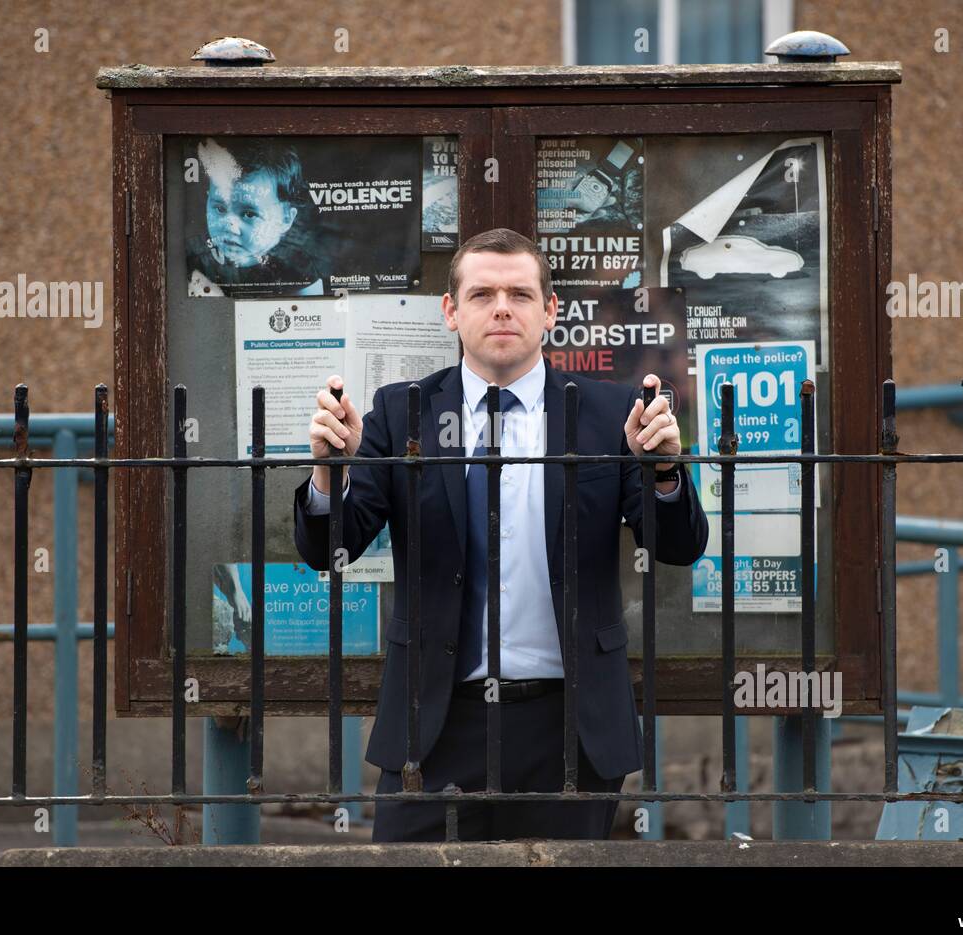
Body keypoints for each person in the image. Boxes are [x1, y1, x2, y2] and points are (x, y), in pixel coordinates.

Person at [292, 228, 708, 841]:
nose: (502, 308)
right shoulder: (401, 411)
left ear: (550, 312)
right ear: (451, 311)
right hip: (434, 723)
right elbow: (330, 549)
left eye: (519, 293)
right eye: (483, 294)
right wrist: (330, 470)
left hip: (568, 724)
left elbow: (678, 546)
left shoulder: (607, 412)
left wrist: (665, 472)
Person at [186, 137, 326, 297]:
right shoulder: (193, 259)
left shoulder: (296, 267)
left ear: (286, 218)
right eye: (219, 208)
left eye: (249, 214)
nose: (229, 226)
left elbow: (312, 313)